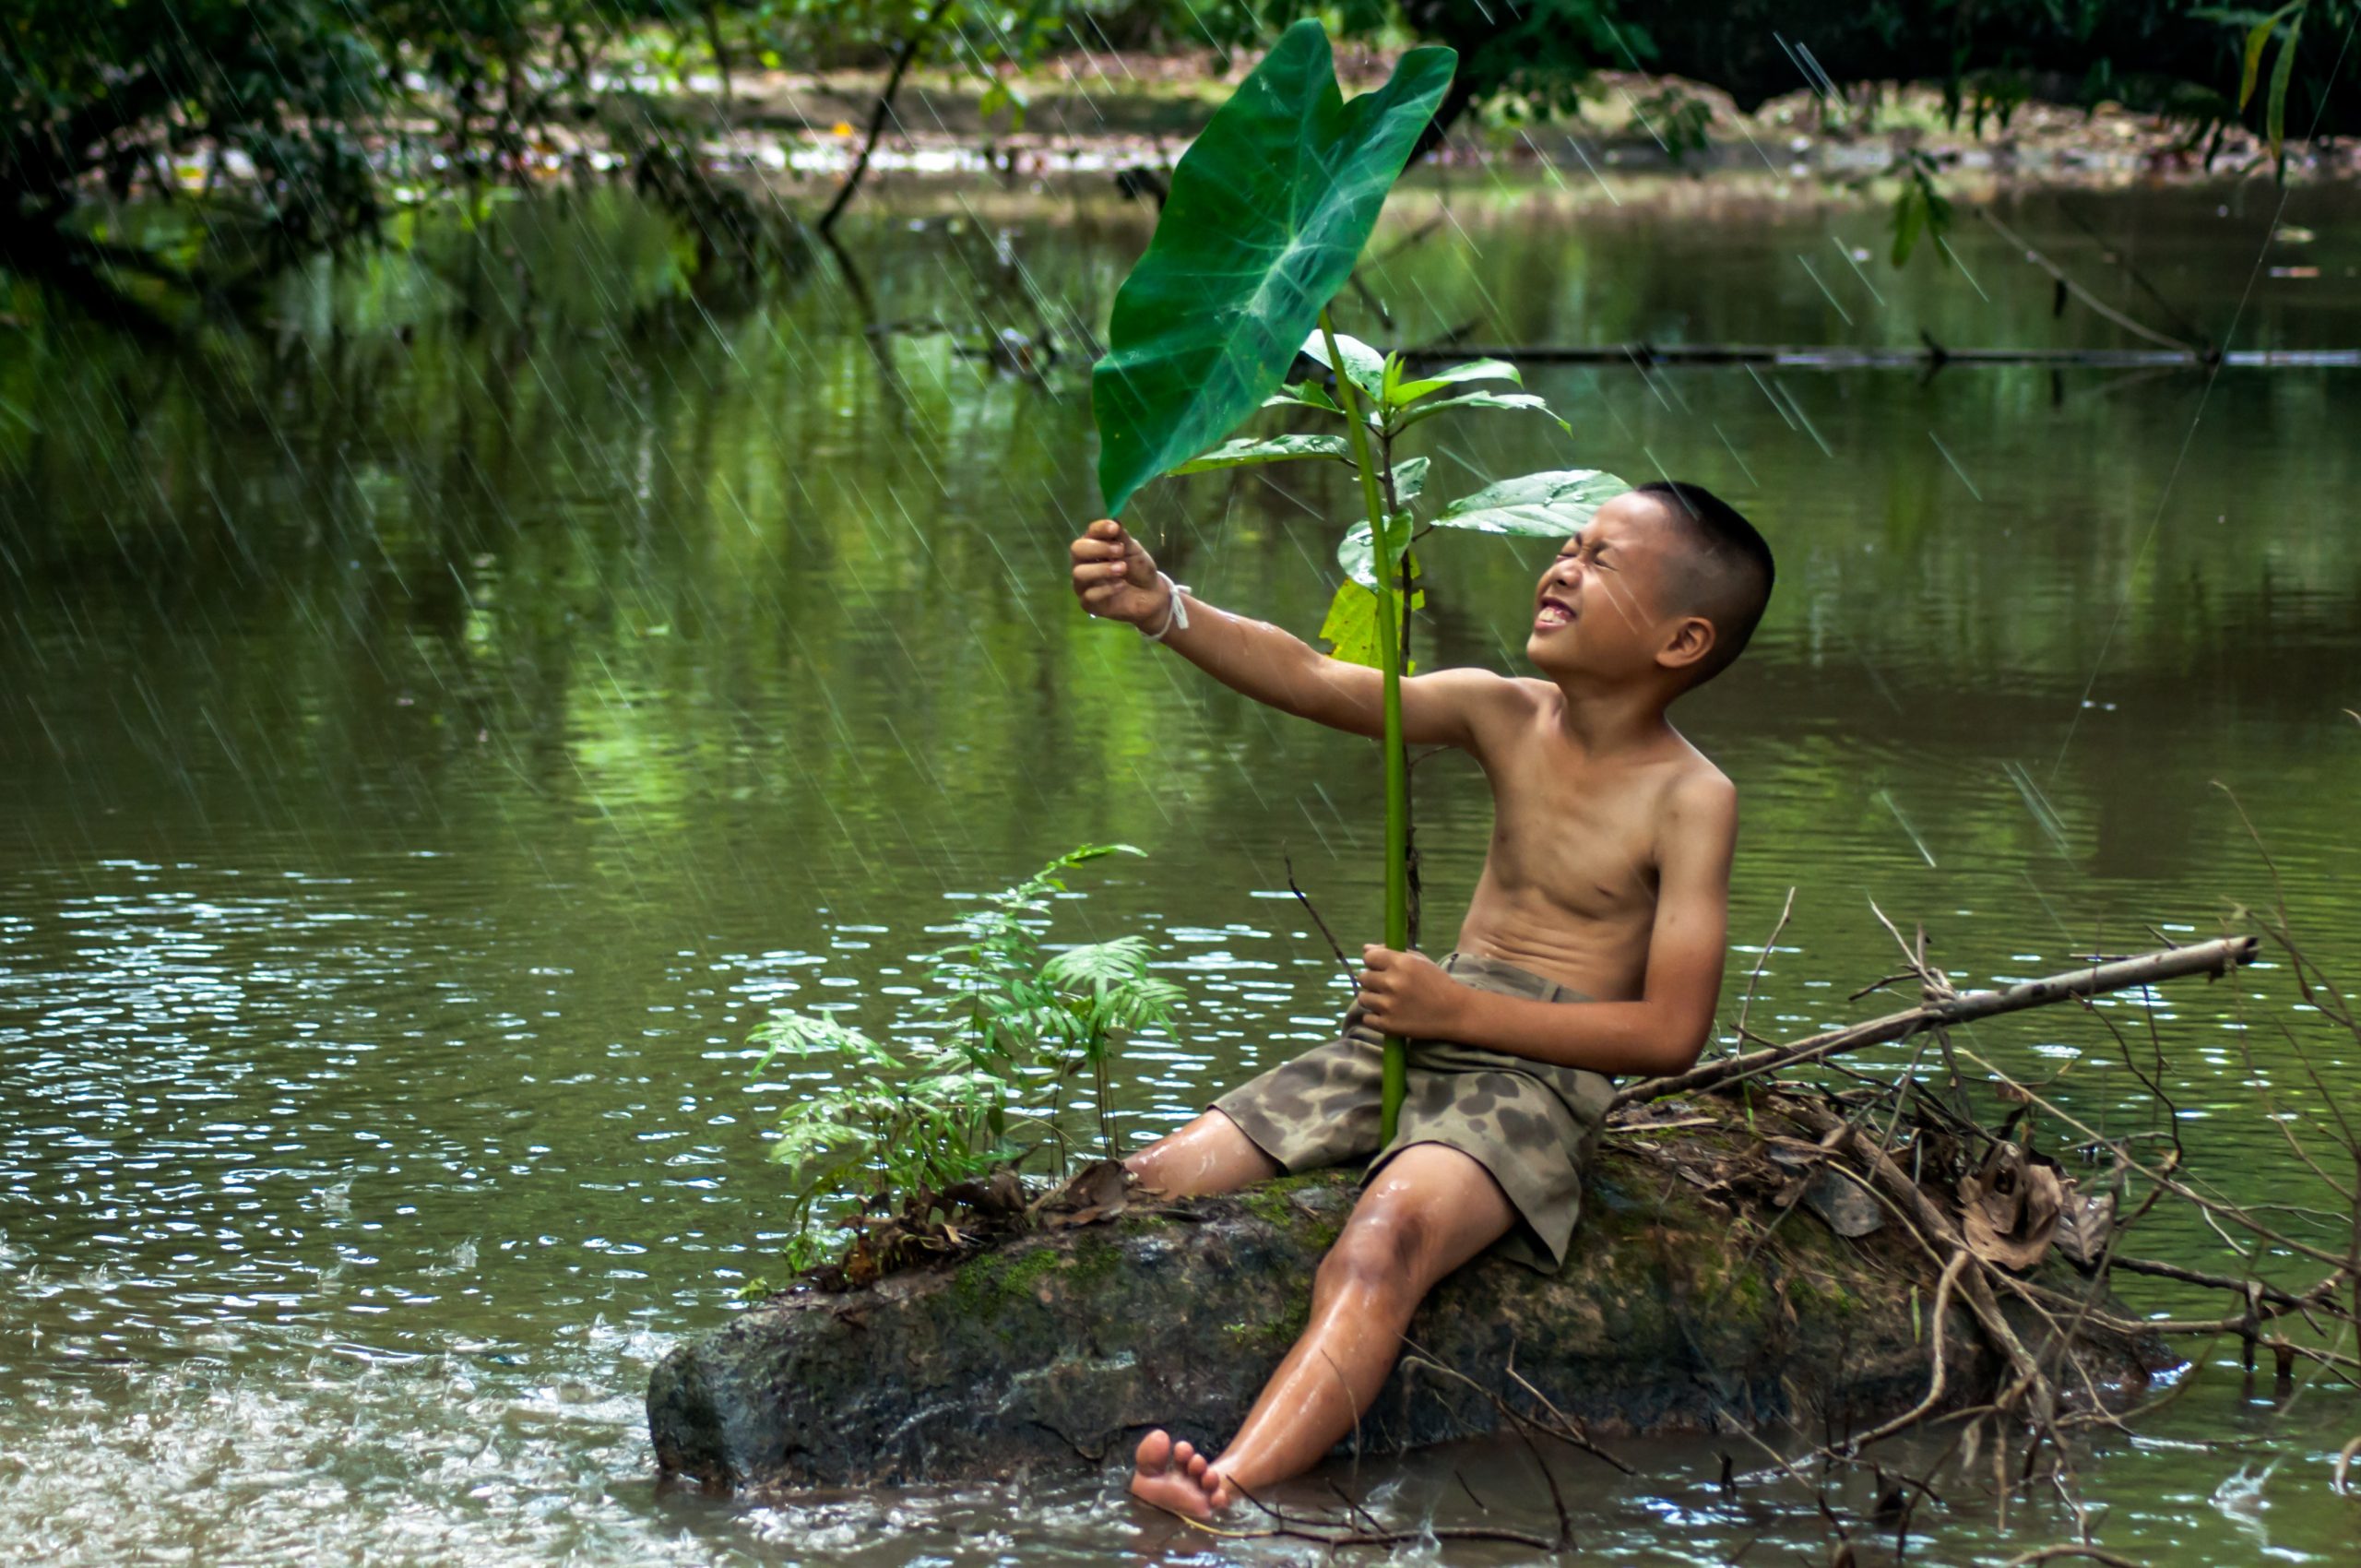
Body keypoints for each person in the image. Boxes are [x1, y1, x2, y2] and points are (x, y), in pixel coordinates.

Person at [1066, 481, 1774, 1519]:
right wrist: (1165, 606)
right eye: (1568, 544)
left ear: (1682, 640)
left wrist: (1460, 1014)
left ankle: (1233, 1484)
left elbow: (1668, 1032)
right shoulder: (1503, 709)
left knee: (1379, 1240)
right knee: (1152, 1178)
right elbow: (1314, 676)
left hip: (1531, 1074)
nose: (1563, 565)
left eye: (1603, 559)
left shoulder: (1691, 797)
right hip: (1408, 1031)